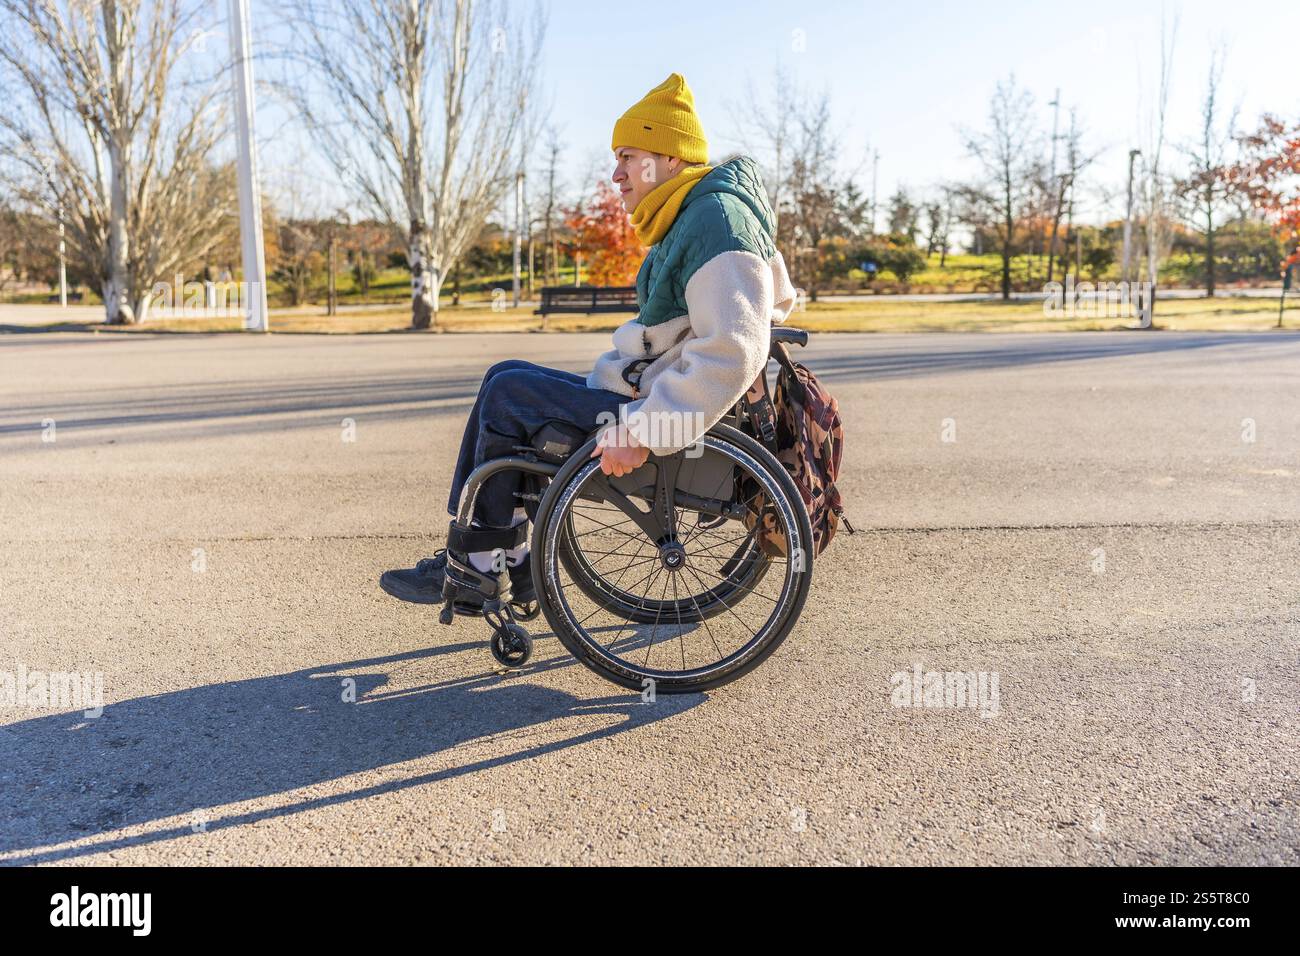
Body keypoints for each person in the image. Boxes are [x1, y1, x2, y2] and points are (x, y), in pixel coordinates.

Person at [380, 72, 796, 607]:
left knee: (511, 397)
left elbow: (733, 351)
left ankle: (482, 560)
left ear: (670, 159)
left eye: (628, 156)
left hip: (653, 408)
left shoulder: (716, 220)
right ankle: (508, 556)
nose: (616, 172)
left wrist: (646, 430)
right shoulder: (693, 214)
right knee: (502, 375)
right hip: (643, 388)